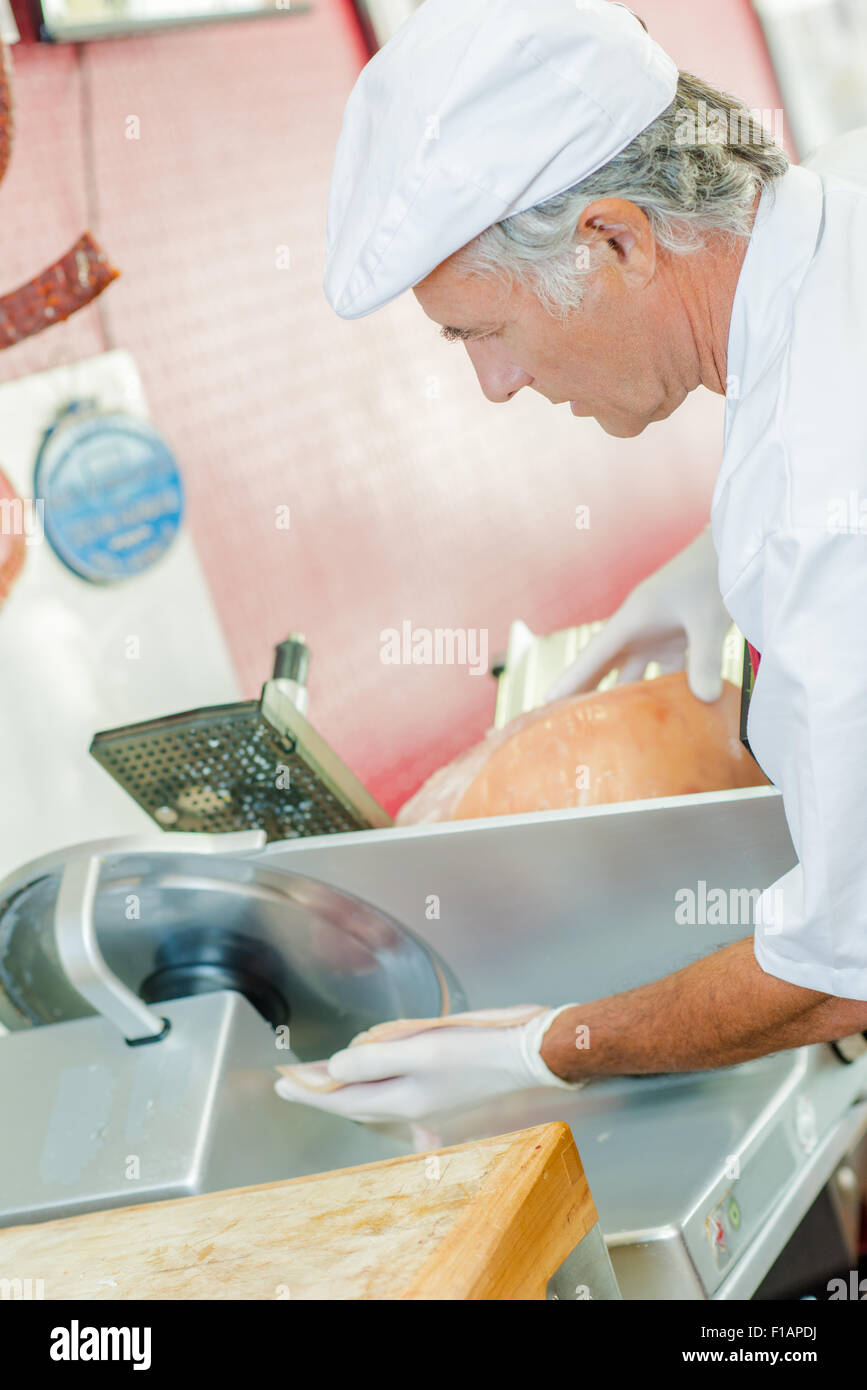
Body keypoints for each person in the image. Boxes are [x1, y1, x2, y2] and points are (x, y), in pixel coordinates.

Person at [275, 0, 867, 1125]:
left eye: (481, 333)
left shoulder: (815, 511)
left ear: (618, 239)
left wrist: (543, 1051)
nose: (496, 386)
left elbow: (845, 967)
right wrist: (711, 556)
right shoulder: (838, 192)